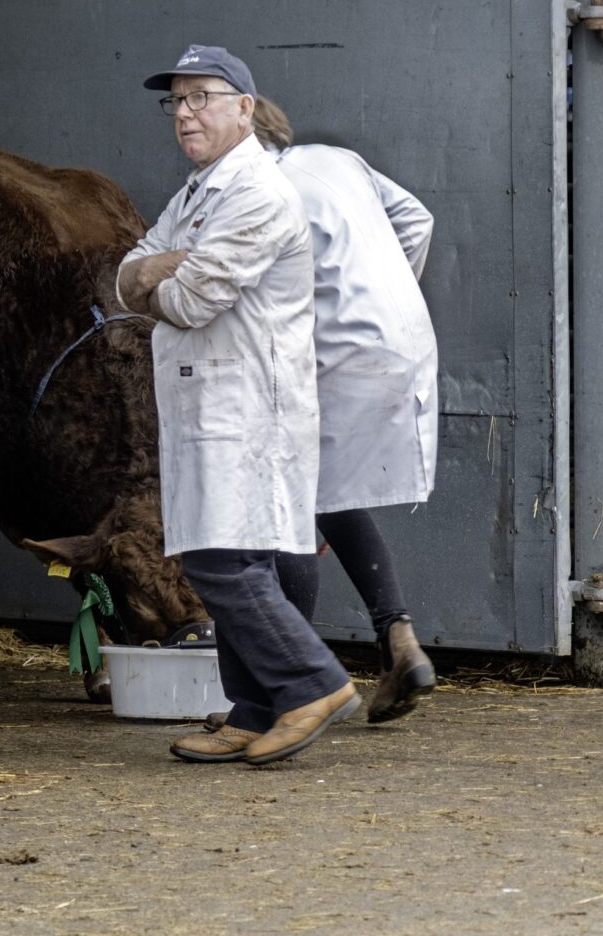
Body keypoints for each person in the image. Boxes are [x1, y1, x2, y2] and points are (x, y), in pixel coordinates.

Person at [115, 46, 360, 765]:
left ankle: (311, 684)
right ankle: (256, 709)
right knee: (250, 550)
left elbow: (190, 301)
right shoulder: (199, 190)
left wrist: (155, 277)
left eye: (201, 97)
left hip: (247, 400)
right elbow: (125, 274)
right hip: (211, 397)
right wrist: (153, 273)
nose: (185, 113)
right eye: (176, 101)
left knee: (220, 556)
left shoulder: (255, 192)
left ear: (244, 108)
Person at [258, 96, 439, 723]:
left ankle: (293, 686)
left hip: (331, 352)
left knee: (290, 505)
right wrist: (383, 298)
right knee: (328, 495)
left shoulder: (255, 188)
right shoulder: (336, 159)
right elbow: (416, 221)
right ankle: (399, 640)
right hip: (403, 337)